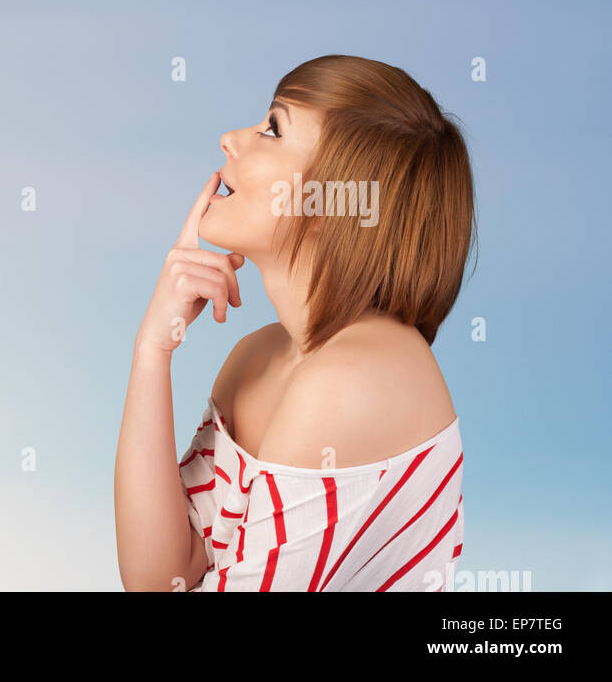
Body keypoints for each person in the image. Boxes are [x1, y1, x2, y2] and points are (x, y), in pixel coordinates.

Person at [113, 55, 476, 592]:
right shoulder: (258, 357)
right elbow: (164, 577)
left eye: (272, 129)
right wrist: (151, 352)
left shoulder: (354, 379)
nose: (230, 139)